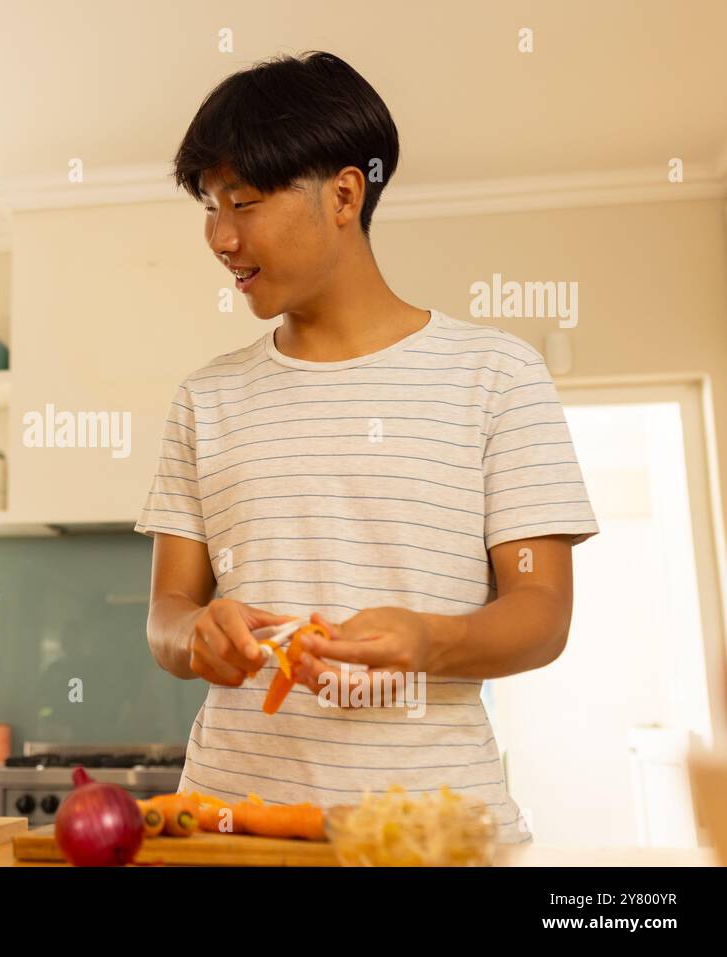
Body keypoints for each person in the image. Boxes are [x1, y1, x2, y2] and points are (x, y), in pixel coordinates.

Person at [138, 52, 598, 843]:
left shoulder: (495, 375)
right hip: (226, 827)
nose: (219, 235)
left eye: (241, 202)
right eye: (210, 206)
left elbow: (542, 612)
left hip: (428, 833)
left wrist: (430, 639)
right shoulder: (205, 397)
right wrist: (195, 634)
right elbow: (166, 614)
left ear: (345, 192)